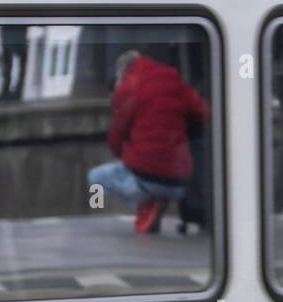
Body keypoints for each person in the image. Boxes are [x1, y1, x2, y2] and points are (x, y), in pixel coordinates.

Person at [87, 50, 209, 234]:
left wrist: (122, 153)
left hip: (148, 176)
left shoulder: (128, 88)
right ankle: (152, 202)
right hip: (180, 179)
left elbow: (117, 136)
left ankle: (100, 208)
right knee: (148, 171)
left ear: (123, 71)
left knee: (96, 178)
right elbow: (203, 111)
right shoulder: (173, 80)